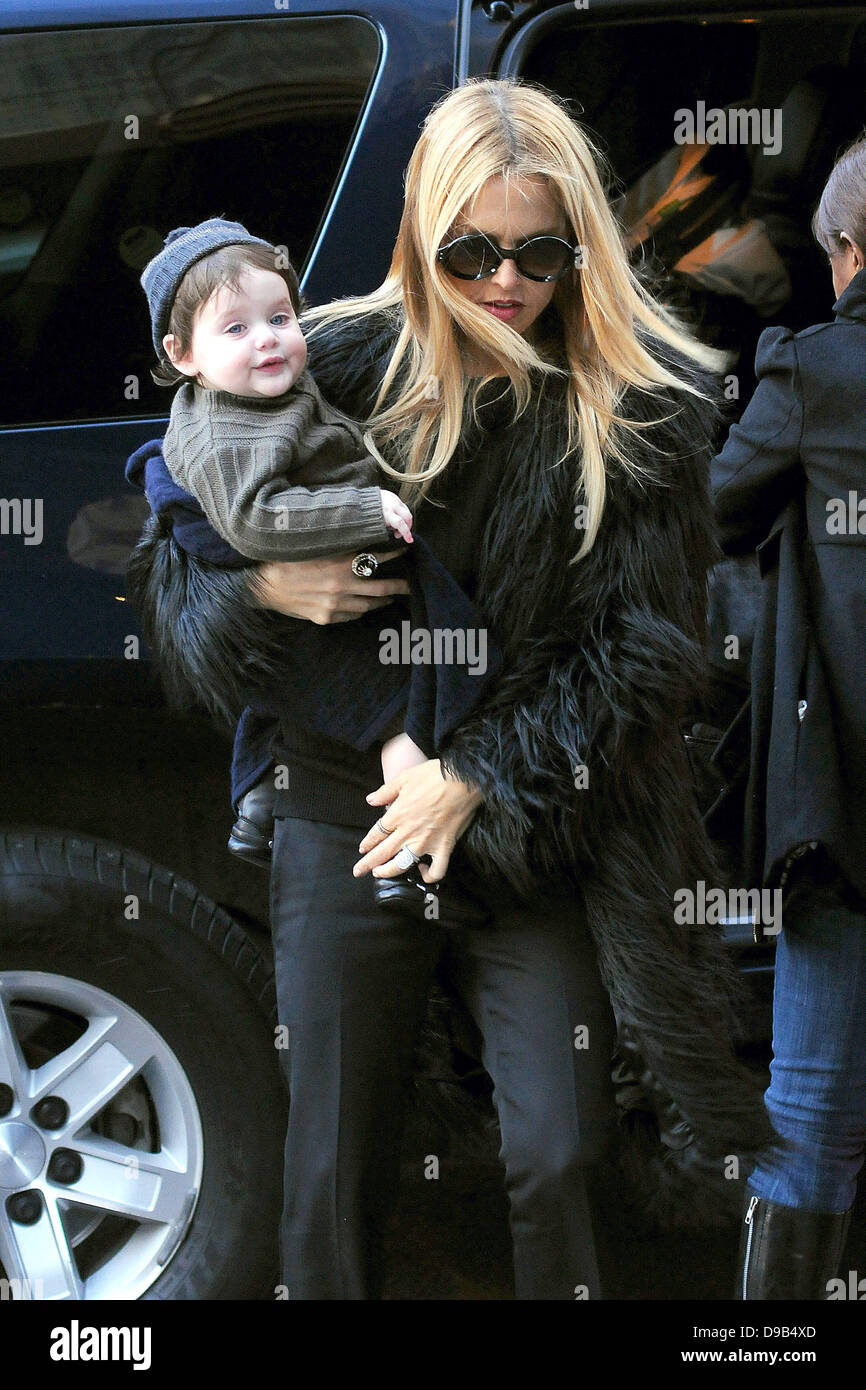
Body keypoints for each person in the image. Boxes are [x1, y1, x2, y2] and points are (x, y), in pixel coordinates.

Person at [127, 77, 772, 1300]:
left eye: (538, 250)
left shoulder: (639, 407)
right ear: (421, 237)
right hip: (343, 814)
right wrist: (264, 596)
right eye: (471, 249)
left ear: (579, 242)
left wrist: (471, 781)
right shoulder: (330, 362)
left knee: (564, 1143)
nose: (505, 281)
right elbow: (179, 544)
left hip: (533, 824)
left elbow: (639, 654)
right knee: (332, 1163)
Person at [131, 217, 503, 912]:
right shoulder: (227, 427)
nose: (266, 338)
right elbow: (253, 519)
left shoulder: (257, 394)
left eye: (278, 317)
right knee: (405, 708)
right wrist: (363, 513)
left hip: (318, 567)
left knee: (279, 692)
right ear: (181, 355)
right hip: (303, 552)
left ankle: (255, 807)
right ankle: (402, 857)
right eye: (235, 329)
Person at [712, 134, 866, 1300]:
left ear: (845, 253)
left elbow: (710, 514)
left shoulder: (818, 368)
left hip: (848, 798)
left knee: (812, 1089)